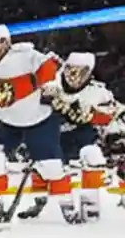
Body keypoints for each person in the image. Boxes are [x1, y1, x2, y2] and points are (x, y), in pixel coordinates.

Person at [0, 24, 80, 228]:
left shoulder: (26, 55)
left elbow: (52, 68)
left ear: (7, 42)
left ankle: (68, 206)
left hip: (39, 119)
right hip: (7, 122)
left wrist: (38, 86)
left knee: (52, 167)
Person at [15, 51, 120, 222]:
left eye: (80, 71)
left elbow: (109, 116)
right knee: (43, 160)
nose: (74, 75)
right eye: (71, 69)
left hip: (83, 139)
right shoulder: (49, 85)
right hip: (54, 138)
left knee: (92, 156)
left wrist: (90, 116)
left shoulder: (98, 92)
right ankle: (40, 201)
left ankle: (90, 205)